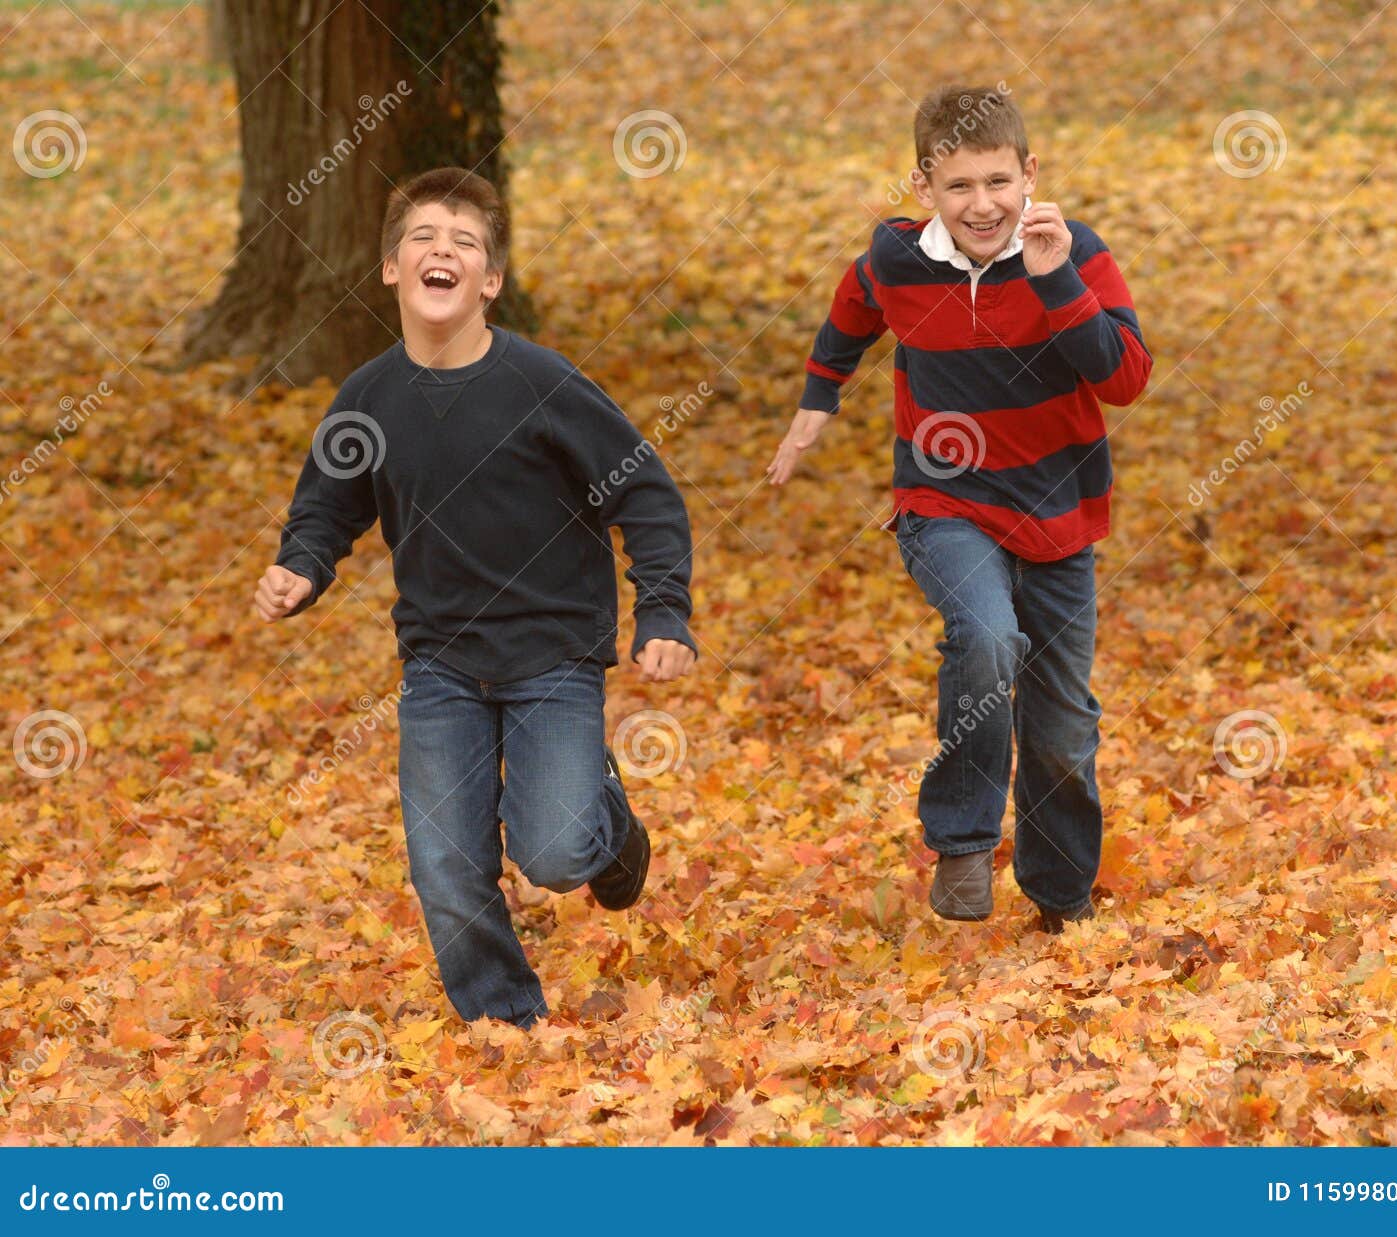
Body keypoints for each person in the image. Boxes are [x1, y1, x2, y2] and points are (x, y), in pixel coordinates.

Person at [253, 167, 697, 1025]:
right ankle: (506, 1024)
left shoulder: (544, 384)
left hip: (553, 661)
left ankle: (601, 815)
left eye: (465, 242)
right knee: (448, 869)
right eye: (423, 237)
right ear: (391, 268)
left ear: (490, 280)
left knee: (556, 852)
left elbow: (644, 493)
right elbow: (325, 507)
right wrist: (299, 568)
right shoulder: (368, 399)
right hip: (441, 666)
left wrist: (664, 609)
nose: (442, 250)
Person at [768, 84, 1151, 932]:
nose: (983, 205)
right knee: (982, 637)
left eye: (998, 182)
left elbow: (1124, 379)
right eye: (960, 187)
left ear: (1030, 174)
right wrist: (816, 402)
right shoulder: (899, 260)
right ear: (923, 187)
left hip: (1059, 515)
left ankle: (1061, 899)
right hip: (945, 503)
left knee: (1061, 726)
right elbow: (853, 308)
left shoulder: (1075, 254)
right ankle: (965, 841)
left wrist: (1058, 287)